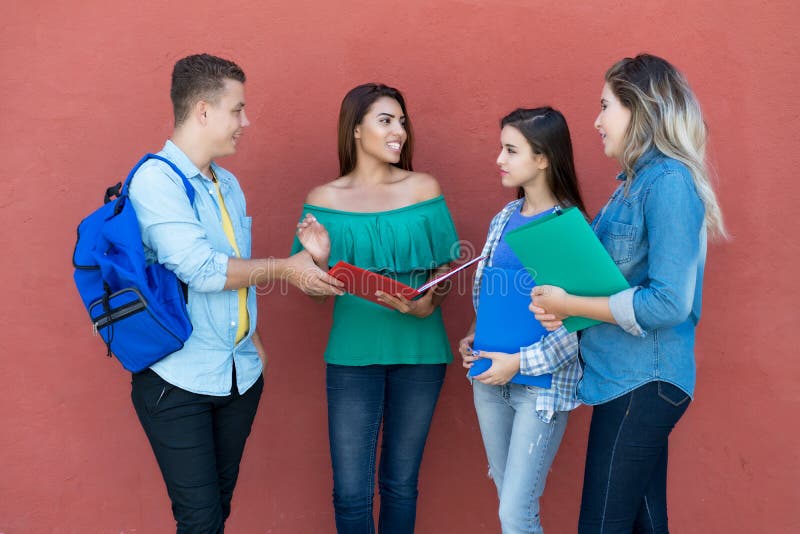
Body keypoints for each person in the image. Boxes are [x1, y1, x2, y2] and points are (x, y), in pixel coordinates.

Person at [127, 53, 343, 533]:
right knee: (200, 520)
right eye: (237, 109)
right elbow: (203, 270)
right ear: (203, 111)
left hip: (238, 377)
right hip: (176, 380)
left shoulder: (228, 184)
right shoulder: (156, 180)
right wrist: (286, 270)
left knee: (216, 514)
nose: (245, 121)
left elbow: (230, 278)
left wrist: (253, 343)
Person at [530, 54, 727, 533]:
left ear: (639, 109)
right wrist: (564, 308)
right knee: (644, 522)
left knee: (601, 525)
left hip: (645, 381)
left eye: (605, 107)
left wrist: (571, 305)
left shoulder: (669, 182)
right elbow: (609, 283)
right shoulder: (632, 186)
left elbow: (667, 302)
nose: (596, 121)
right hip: (626, 378)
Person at [291, 83, 460, 533]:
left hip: (421, 353)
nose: (399, 131)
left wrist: (429, 303)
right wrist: (321, 261)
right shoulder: (323, 200)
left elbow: (447, 267)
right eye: (386, 120)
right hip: (352, 359)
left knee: (401, 485)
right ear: (355, 130)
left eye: (402, 121)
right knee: (350, 494)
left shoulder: (424, 188)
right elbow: (311, 292)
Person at [458, 107, 586, 533]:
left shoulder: (568, 228)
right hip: (489, 384)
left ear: (543, 157)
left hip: (540, 390)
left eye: (511, 150)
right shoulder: (501, 221)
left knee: (516, 512)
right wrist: (473, 337)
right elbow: (491, 299)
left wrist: (517, 364)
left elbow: (579, 329)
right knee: (508, 504)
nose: (499, 159)